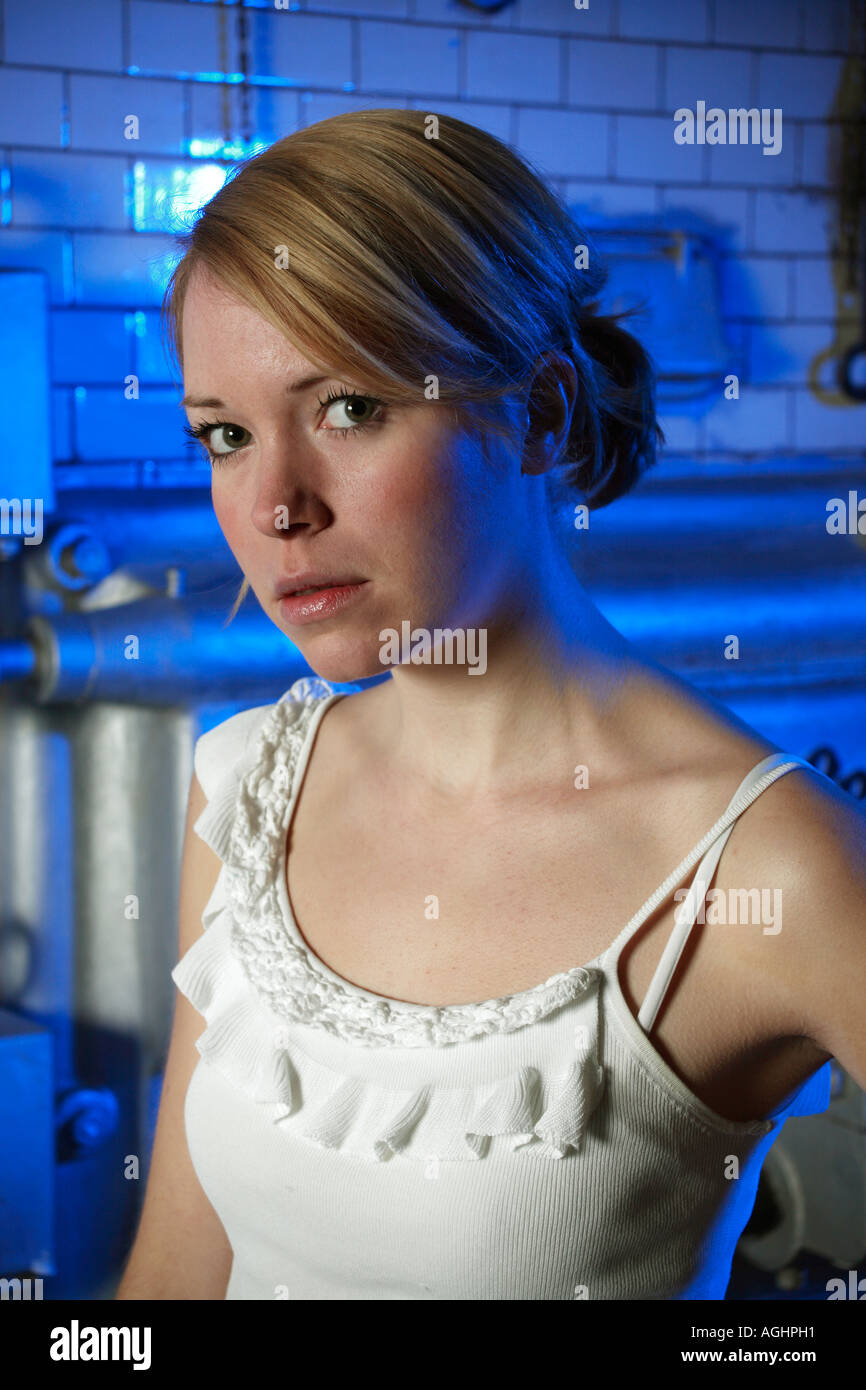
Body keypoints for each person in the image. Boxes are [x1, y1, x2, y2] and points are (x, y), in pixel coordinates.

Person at [116, 109, 866, 1301]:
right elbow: (167, 1285)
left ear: (543, 411)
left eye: (350, 408)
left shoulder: (765, 868)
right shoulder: (245, 786)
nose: (272, 507)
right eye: (225, 435)